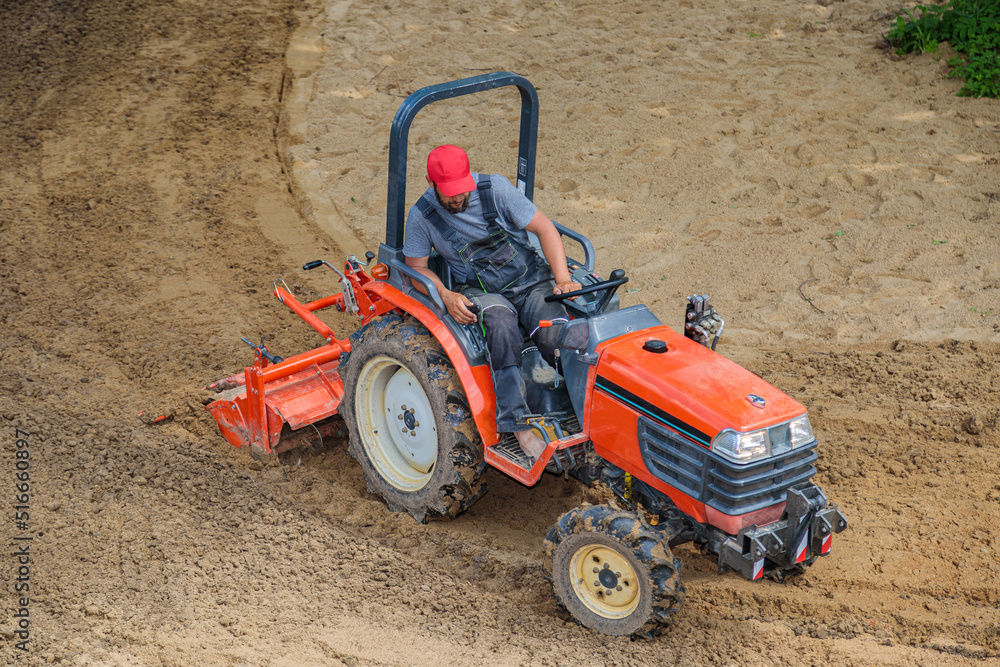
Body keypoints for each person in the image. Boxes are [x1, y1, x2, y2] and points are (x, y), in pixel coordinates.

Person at [403, 145, 581, 460]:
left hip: (531, 282)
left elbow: (544, 228)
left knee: (559, 334)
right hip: (481, 290)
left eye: (461, 190)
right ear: (430, 184)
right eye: (449, 194)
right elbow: (416, 268)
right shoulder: (421, 216)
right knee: (500, 326)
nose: (457, 198)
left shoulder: (495, 189)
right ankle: (519, 425)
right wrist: (446, 293)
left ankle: (580, 406)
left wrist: (563, 278)